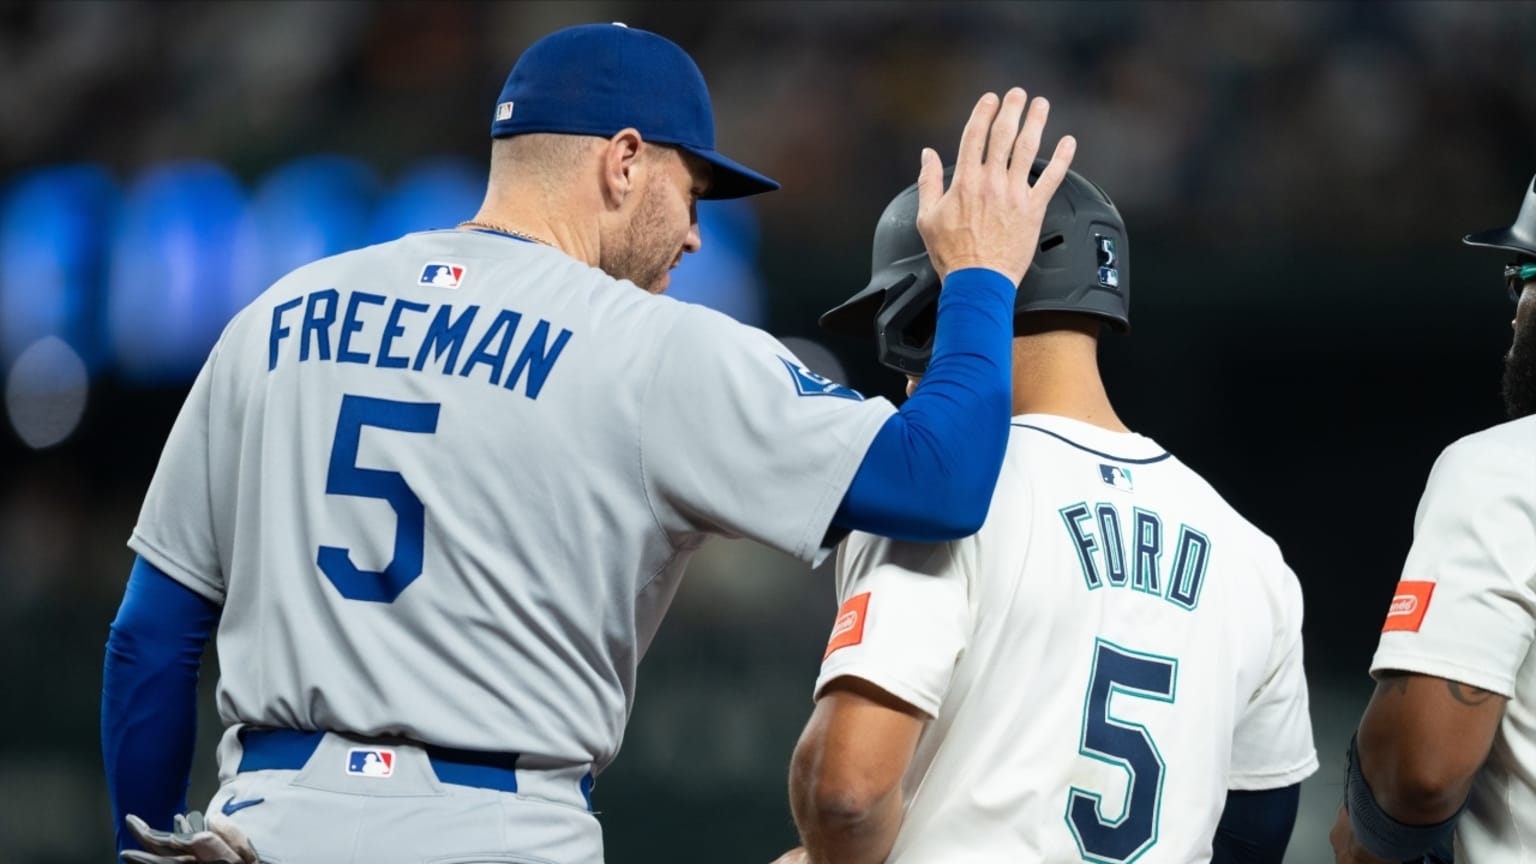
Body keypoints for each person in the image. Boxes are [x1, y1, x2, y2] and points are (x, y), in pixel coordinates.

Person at [99, 20, 1081, 864]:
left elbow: (149, 640)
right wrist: (982, 278)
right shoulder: (650, 349)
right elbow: (941, 480)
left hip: (269, 824)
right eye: (691, 191)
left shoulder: (278, 317)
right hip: (496, 830)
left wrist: (134, 841)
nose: (695, 237)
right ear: (622, 162)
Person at [775, 163, 1318, 864]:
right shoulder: (1253, 557)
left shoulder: (937, 499)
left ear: (921, 316)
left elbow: (845, 793)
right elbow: (1254, 836)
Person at [1329, 175, 1536, 864]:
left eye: (1522, 275)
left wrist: (1366, 823)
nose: (1515, 308)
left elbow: (1419, 774)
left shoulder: (1502, 468)